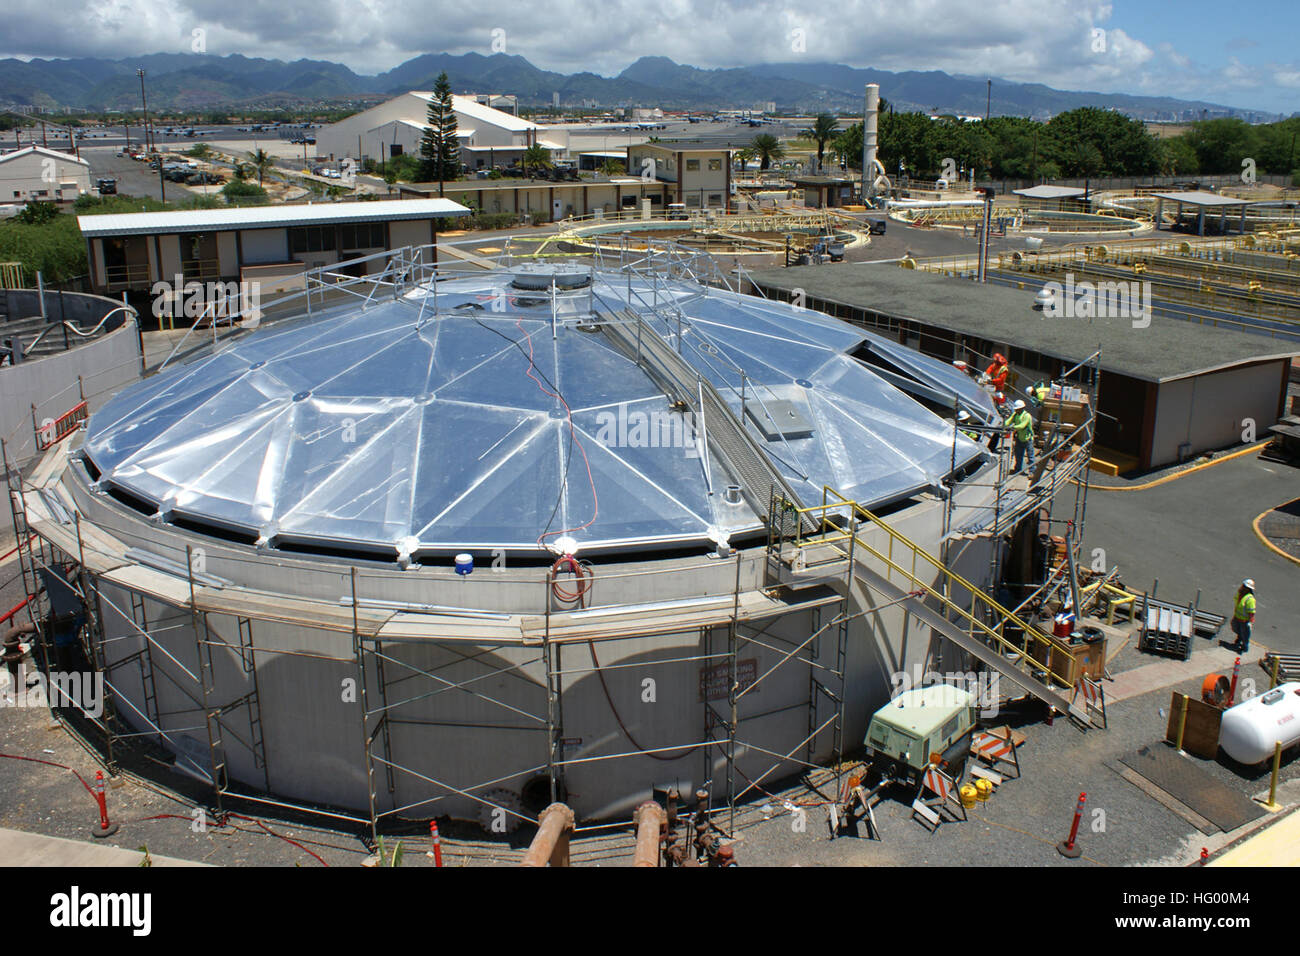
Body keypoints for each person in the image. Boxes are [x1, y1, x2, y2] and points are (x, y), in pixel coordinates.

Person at [1005, 399, 1035, 475]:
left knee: (1030, 457)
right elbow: (1008, 421)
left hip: (1028, 439)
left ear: (1021, 408)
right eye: (1016, 409)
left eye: (1017, 409)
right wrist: (1004, 425)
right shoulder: (1015, 415)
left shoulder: (1027, 416)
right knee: (1018, 455)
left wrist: (1012, 428)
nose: (1016, 410)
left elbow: (1022, 426)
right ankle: (1017, 469)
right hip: (1019, 439)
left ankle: (1032, 471)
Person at [1230, 579, 1256, 653]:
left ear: (1248, 589)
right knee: (1234, 627)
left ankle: (1244, 647)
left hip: (1244, 621)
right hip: (1237, 617)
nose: (1242, 587)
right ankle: (1239, 638)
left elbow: (1251, 612)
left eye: (1244, 586)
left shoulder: (1250, 599)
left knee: (1245, 635)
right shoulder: (1240, 594)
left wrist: (1250, 621)